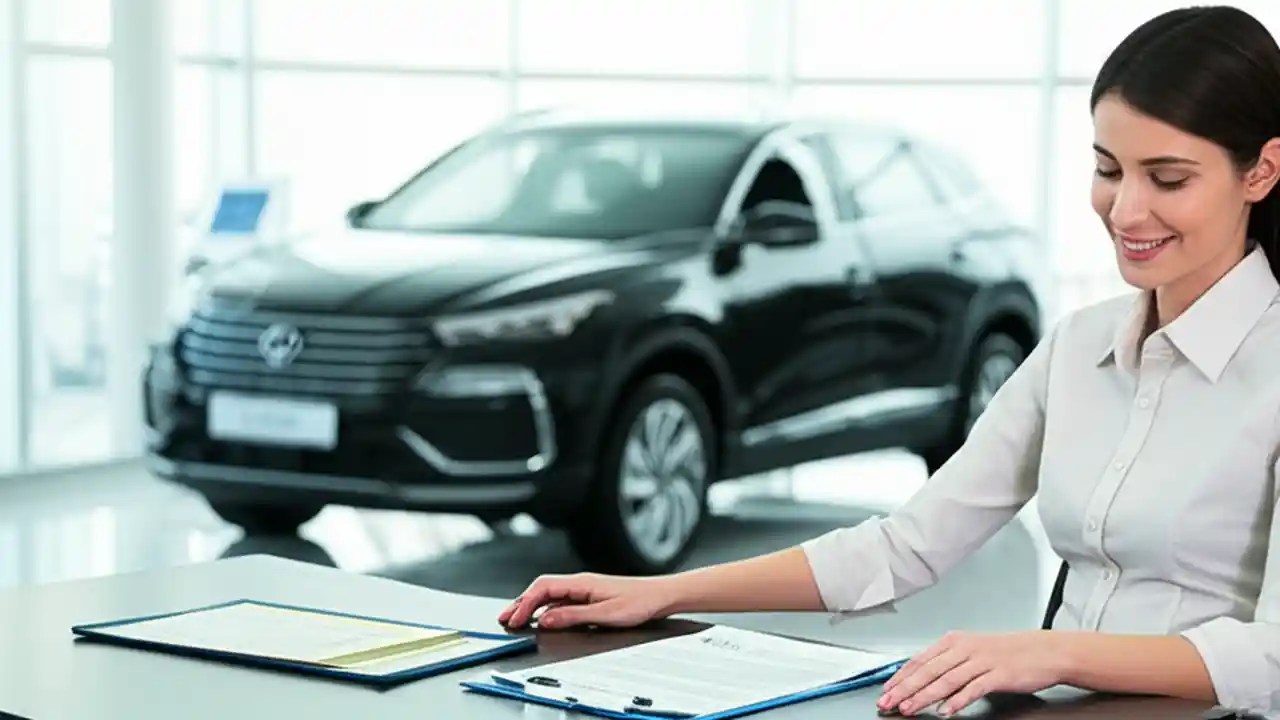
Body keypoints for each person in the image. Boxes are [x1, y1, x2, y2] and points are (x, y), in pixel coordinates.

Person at [498, 6, 1280, 717]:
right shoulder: (1080, 347)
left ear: (1261, 171)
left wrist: (1049, 650)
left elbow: (1272, 658)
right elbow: (906, 547)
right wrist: (662, 593)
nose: (1126, 209)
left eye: (1167, 178)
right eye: (1108, 169)